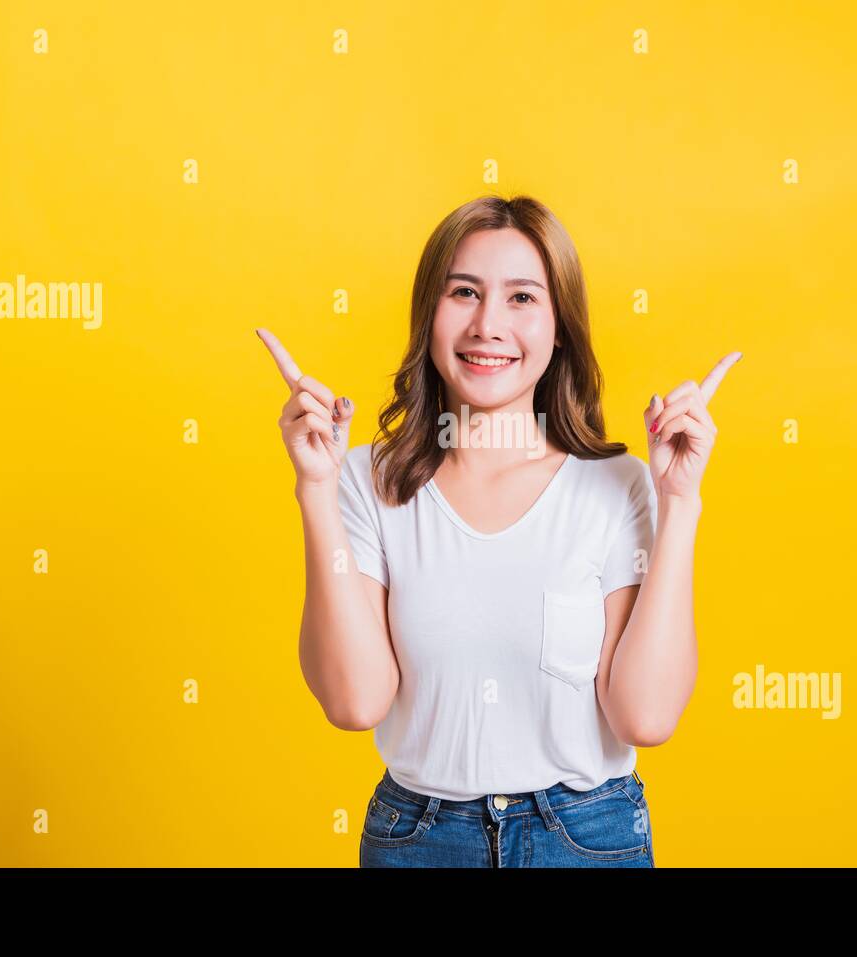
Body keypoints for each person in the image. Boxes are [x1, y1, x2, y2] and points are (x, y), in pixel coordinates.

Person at [256, 194, 740, 867]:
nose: (488, 324)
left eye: (521, 298)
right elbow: (354, 699)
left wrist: (680, 502)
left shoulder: (619, 485)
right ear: (429, 313)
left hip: (587, 838)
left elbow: (646, 717)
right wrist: (314, 487)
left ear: (560, 327)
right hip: (418, 839)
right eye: (464, 292)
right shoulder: (364, 480)